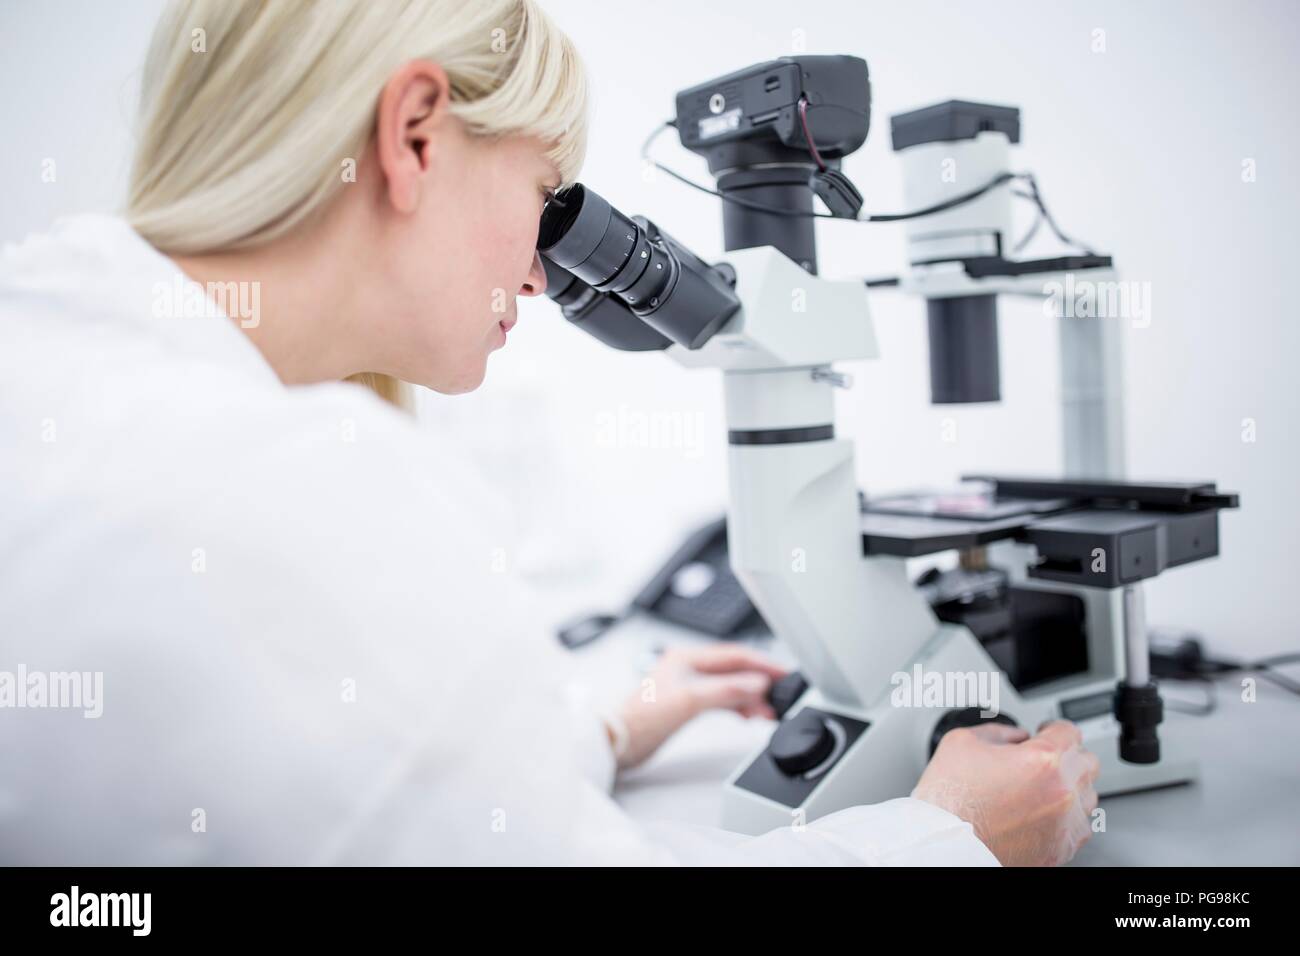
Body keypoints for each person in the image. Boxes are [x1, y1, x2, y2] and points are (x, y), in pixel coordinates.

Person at [0, 0, 1099, 866]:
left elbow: (351, 798)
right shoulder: (299, 483)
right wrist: (949, 836)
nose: (539, 269)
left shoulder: (54, 340)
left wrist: (595, 731)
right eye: (543, 192)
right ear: (416, 135)